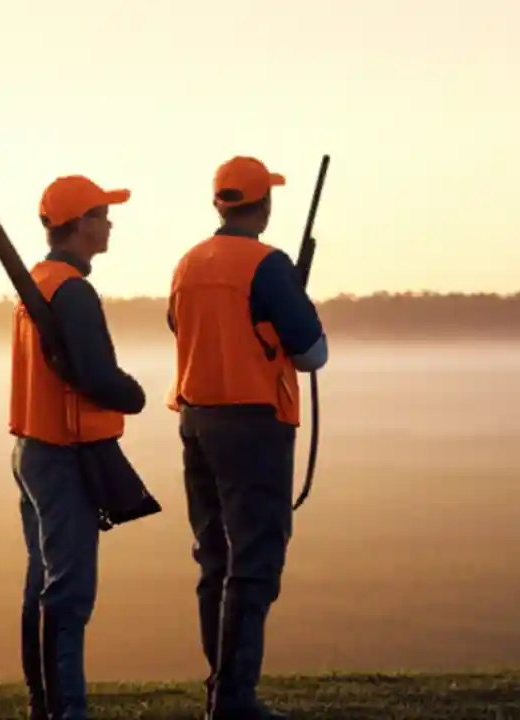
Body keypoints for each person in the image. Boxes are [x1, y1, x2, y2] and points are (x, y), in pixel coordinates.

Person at [166, 156, 328, 720]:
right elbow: (312, 353)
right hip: (254, 427)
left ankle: (221, 687)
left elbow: (181, 326)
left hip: (195, 421)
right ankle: (234, 701)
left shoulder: (188, 264)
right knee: (255, 562)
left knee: (214, 559)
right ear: (263, 205)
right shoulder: (269, 264)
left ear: (219, 203)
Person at [10, 174, 148, 720]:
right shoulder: (72, 290)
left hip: (30, 449)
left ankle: (43, 706)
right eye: (103, 214)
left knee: (41, 584)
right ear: (81, 224)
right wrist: (133, 395)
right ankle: (68, 711)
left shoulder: (37, 283)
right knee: (69, 595)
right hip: (62, 455)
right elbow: (96, 376)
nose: (110, 223)